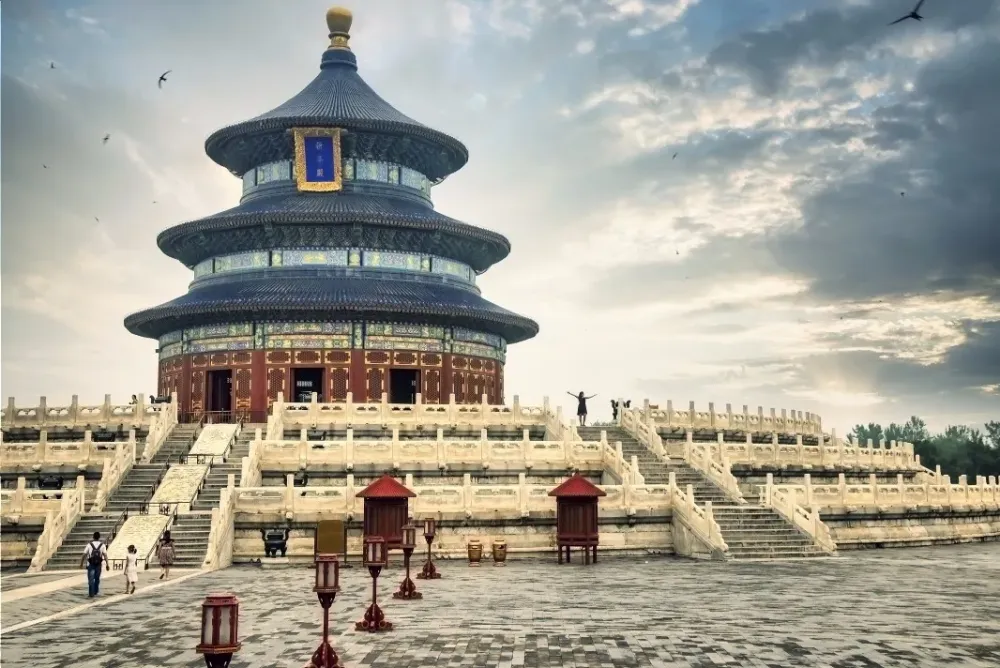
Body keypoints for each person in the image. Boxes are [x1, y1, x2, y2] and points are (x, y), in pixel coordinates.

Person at [80, 531, 109, 597]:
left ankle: (91, 593)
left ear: (93, 537)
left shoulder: (89, 545)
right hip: (98, 564)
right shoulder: (102, 545)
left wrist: (81, 563)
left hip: (91, 564)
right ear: (99, 537)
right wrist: (107, 564)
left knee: (91, 579)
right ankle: (95, 591)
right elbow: (105, 555)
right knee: (97, 579)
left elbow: (84, 554)